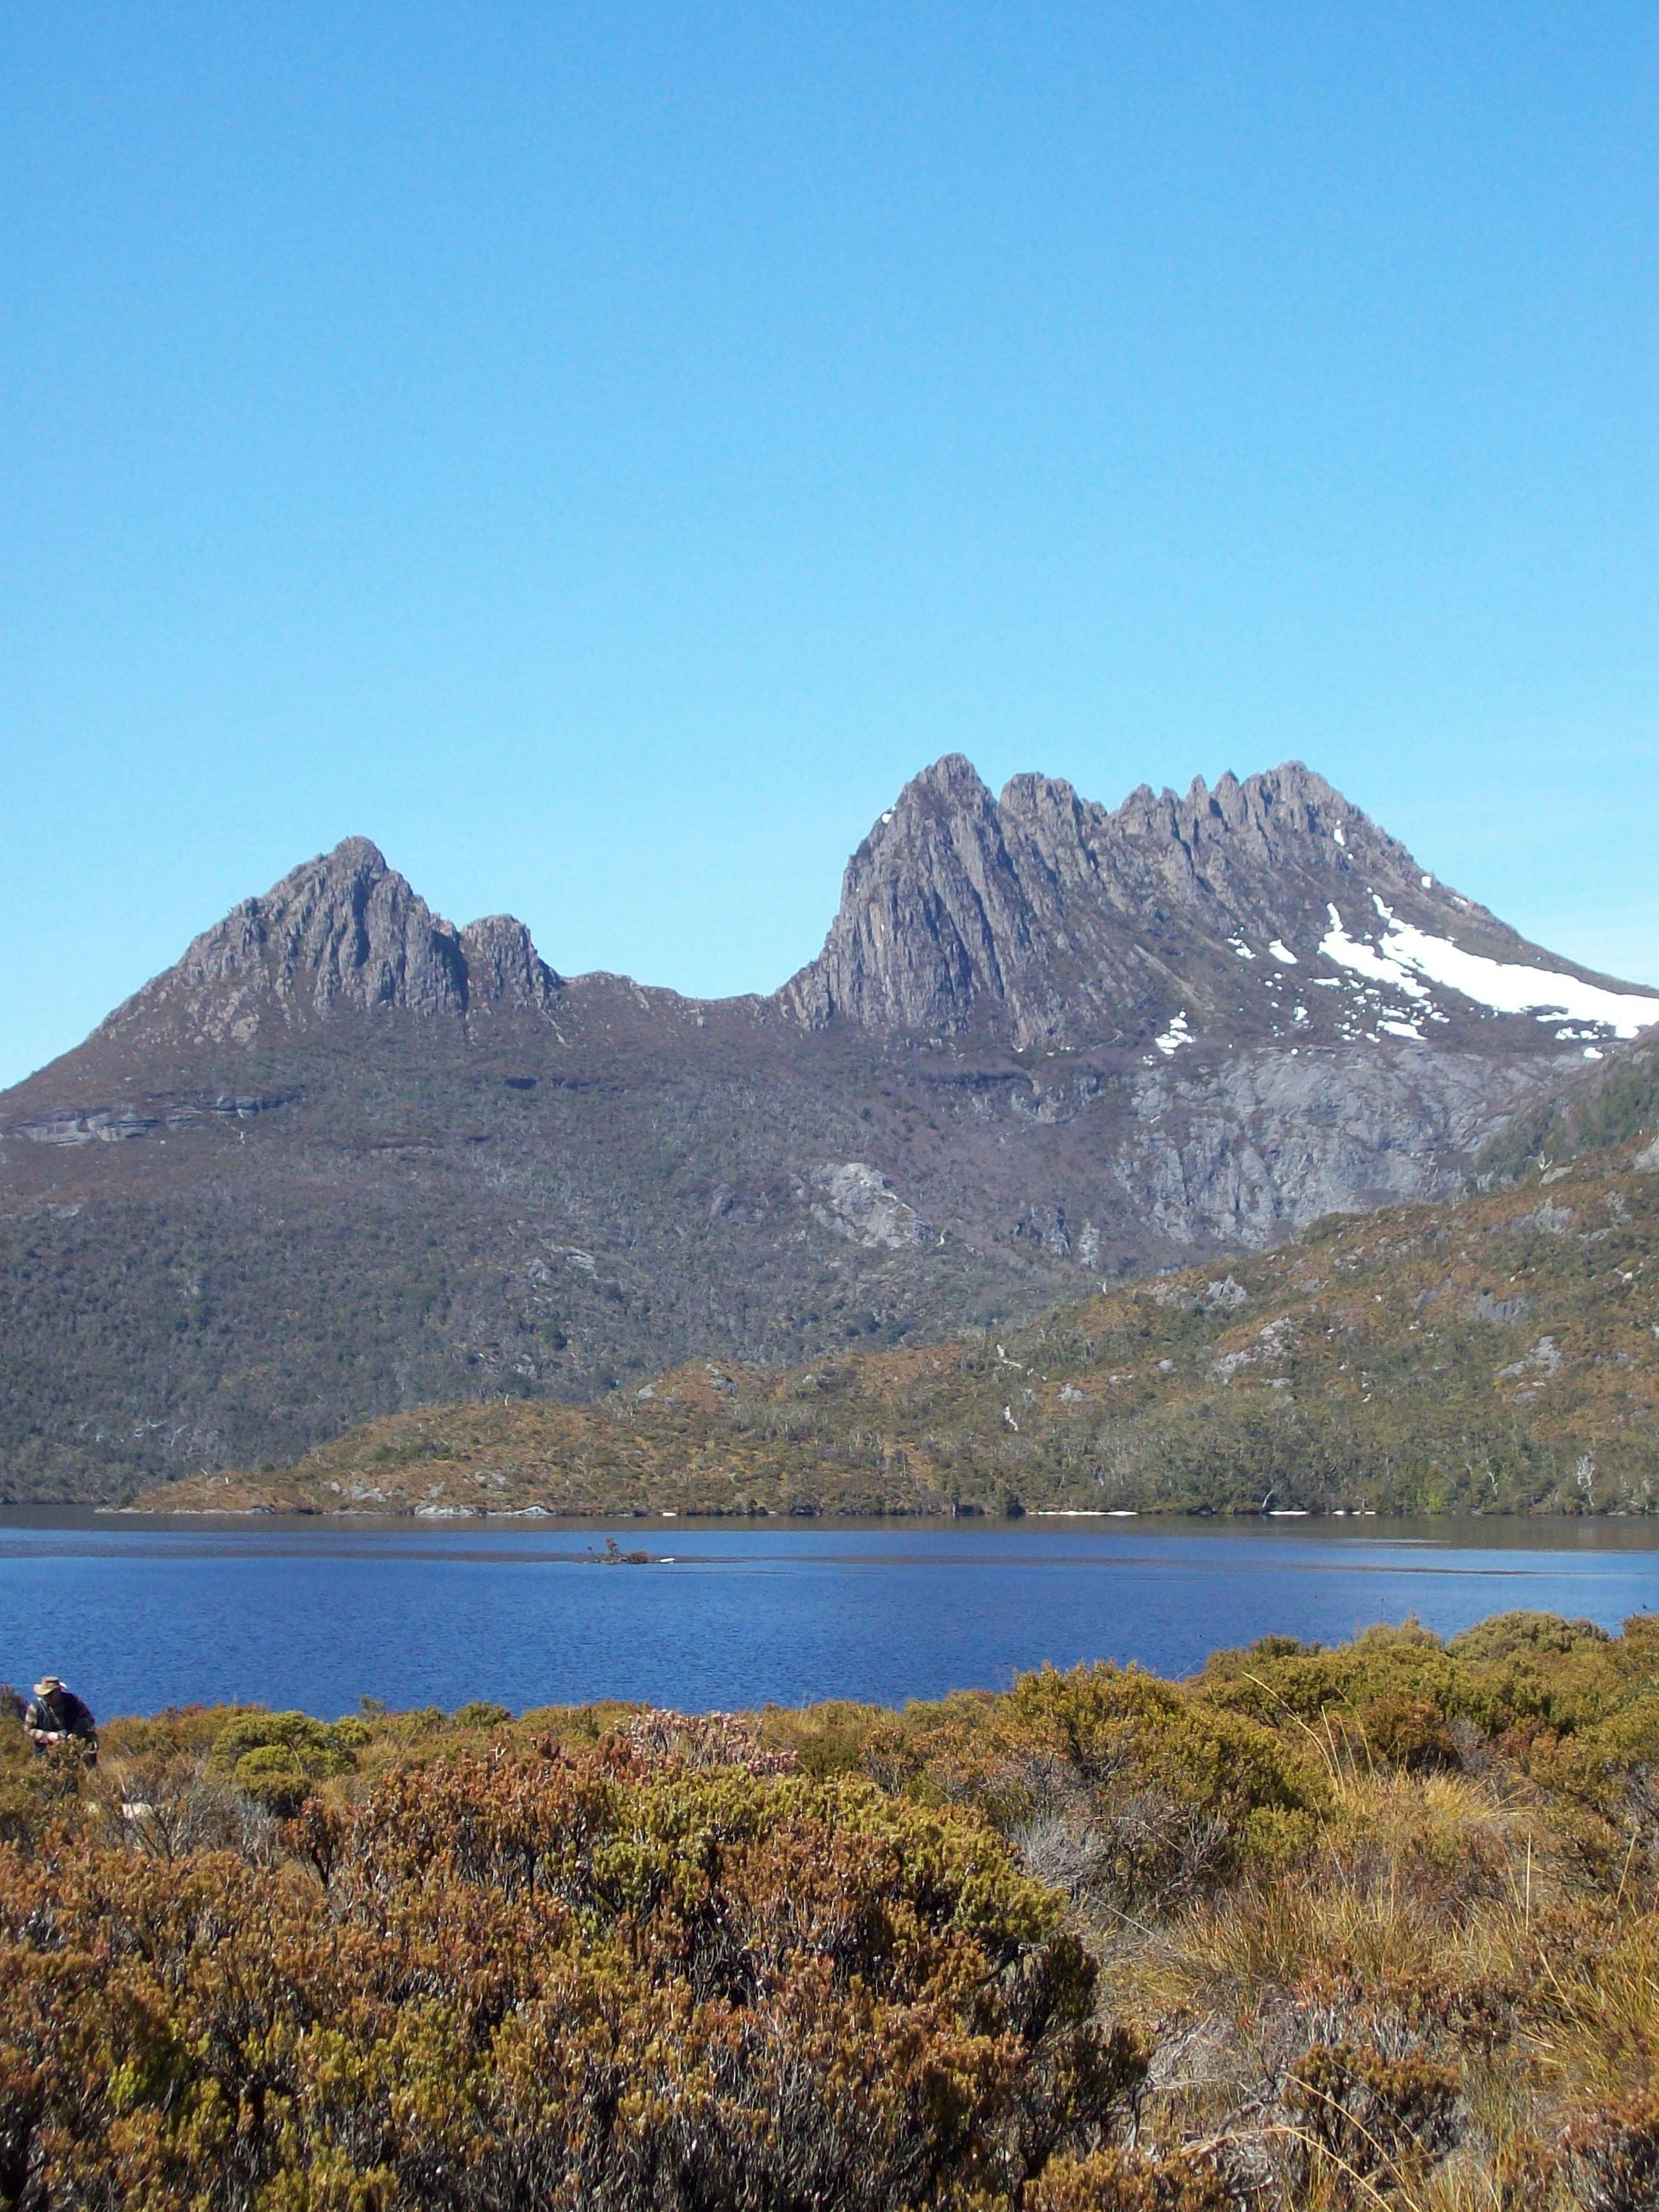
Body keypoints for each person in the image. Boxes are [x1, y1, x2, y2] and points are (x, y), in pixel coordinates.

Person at [24, 1676, 98, 1763]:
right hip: (47, 1753)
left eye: (50, 1694)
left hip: (76, 1749)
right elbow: (28, 1730)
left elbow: (89, 1719)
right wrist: (47, 1736)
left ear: (58, 1692)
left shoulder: (73, 1701)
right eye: (44, 1695)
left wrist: (76, 1734)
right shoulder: (35, 1708)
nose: (47, 1697)